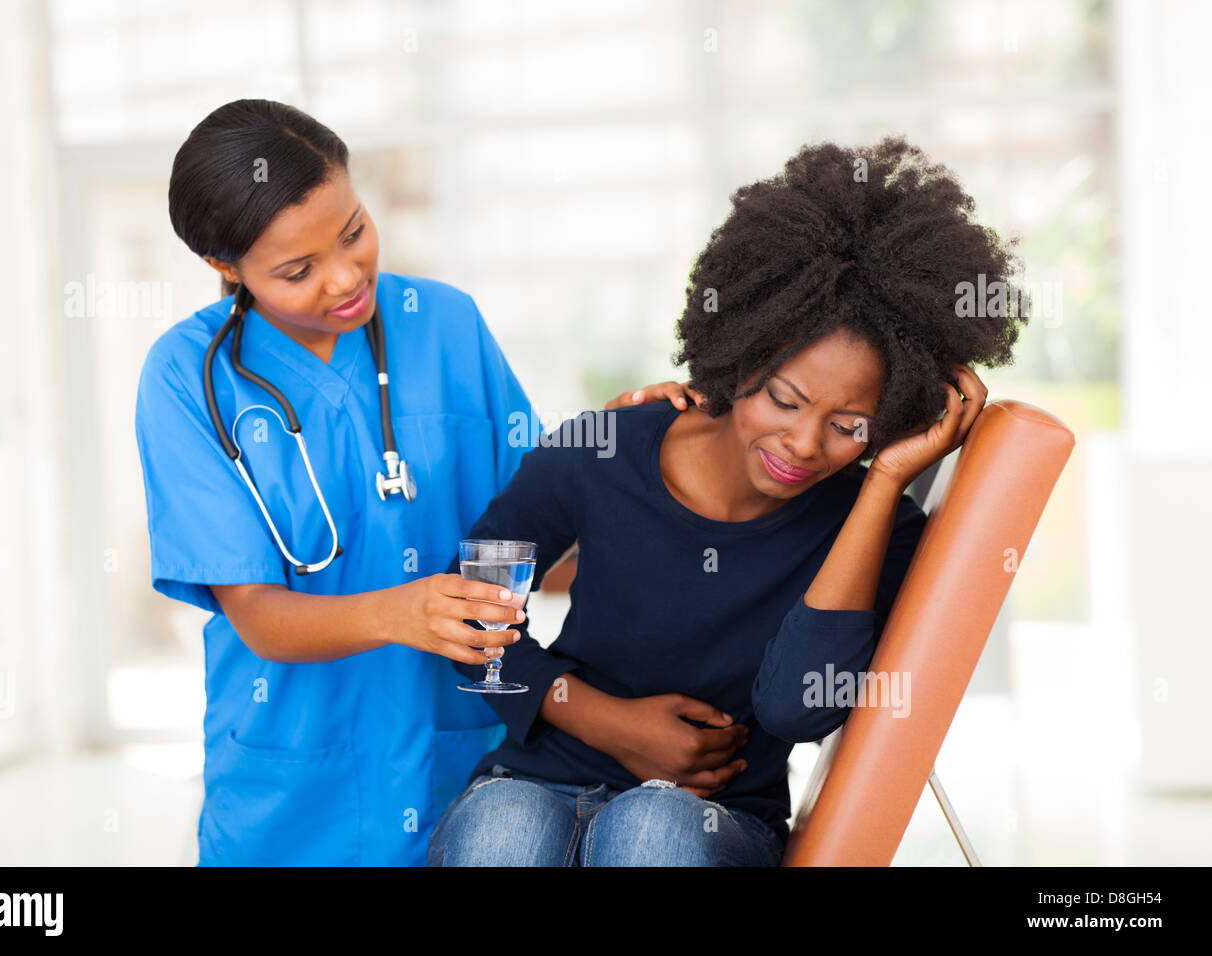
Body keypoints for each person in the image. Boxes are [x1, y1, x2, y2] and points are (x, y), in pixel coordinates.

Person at [428, 136, 1027, 866]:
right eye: (784, 398)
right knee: (505, 831)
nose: (805, 444)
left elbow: (797, 709)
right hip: (541, 778)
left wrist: (880, 480)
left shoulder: (873, 526)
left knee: (646, 832)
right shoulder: (599, 447)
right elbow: (465, 619)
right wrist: (607, 722)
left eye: (849, 427)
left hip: (715, 819)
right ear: (738, 351)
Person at [134, 98, 697, 865]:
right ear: (225, 269)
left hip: (467, 776)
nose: (344, 280)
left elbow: (545, 538)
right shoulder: (186, 379)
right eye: (297, 271)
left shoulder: (445, 324)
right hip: (293, 786)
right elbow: (258, 614)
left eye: (354, 232)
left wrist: (630, 458)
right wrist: (402, 611)